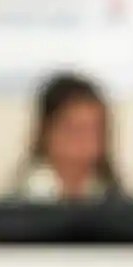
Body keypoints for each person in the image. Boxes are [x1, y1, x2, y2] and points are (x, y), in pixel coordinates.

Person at [15, 71, 123, 201]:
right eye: (76, 131)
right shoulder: (22, 201)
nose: (86, 143)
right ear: (46, 132)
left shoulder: (113, 199)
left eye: (95, 131)